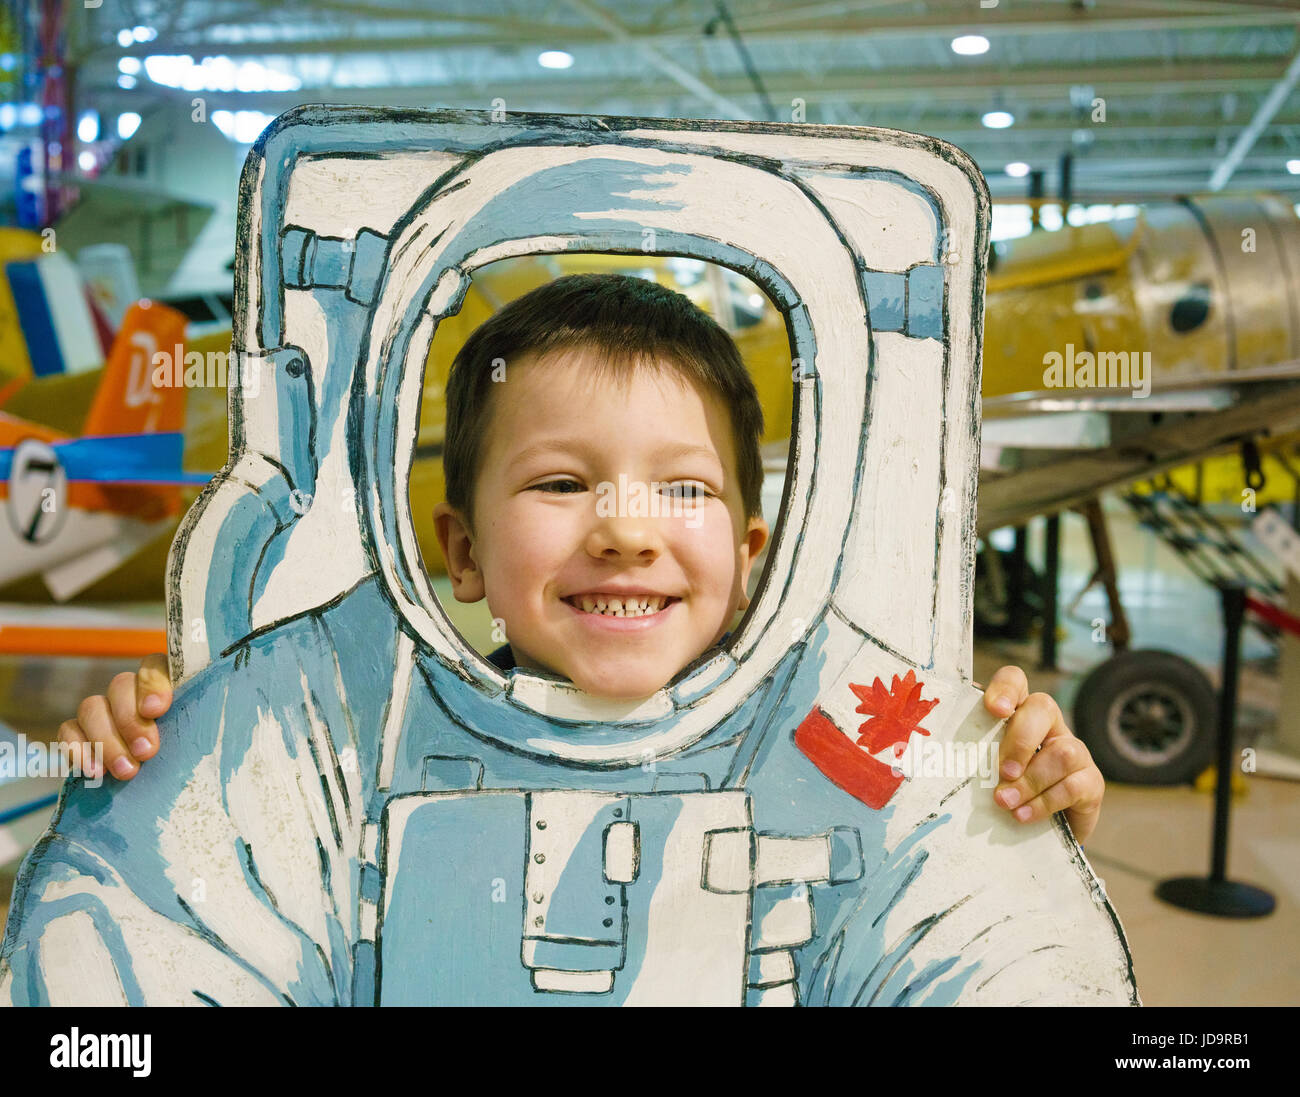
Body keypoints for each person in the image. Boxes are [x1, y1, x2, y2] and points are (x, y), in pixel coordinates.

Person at [8, 274, 1109, 1005]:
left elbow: (977, 913)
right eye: (559, 481)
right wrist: (150, 775)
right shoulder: (335, 728)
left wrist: (1017, 782)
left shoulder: (850, 729)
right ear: (464, 550)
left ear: (752, 550)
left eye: (682, 487)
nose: (625, 529)